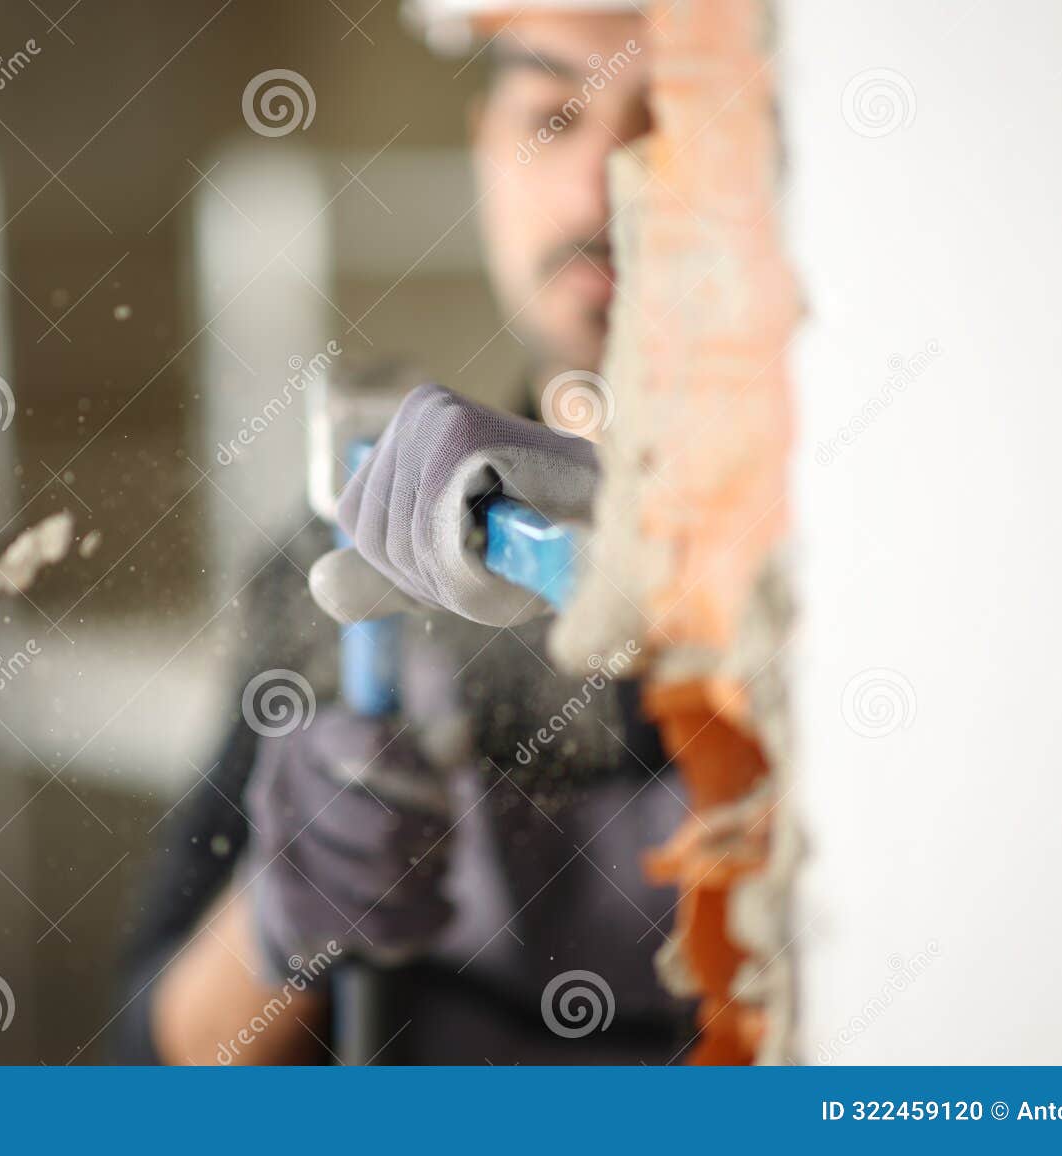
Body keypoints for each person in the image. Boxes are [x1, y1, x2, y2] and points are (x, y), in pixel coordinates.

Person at [112, 1, 691, 1065]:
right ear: (484, 145)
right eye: (554, 115)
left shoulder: (868, 564)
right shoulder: (359, 548)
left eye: (679, 120)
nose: (600, 183)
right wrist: (277, 924)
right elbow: (156, 1062)